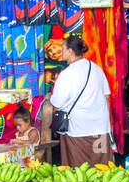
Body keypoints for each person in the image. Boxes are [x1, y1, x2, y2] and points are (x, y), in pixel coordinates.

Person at [47, 35, 111, 167]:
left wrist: (50, 98)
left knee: (78, 170)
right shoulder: (97, 69)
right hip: (100, 129)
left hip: (78, 129)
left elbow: (57, 102)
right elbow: (106, 97)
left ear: (70, 51)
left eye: (63, 49)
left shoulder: (67, 74)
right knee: (101, 167)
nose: (61, 52)